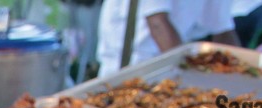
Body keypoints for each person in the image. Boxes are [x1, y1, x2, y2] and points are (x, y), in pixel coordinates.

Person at [95, 0, 239, 75]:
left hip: (168, 66)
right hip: (130, 68)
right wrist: (189, 77)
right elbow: (157, 24)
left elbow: (223, 30)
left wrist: (240, 72)